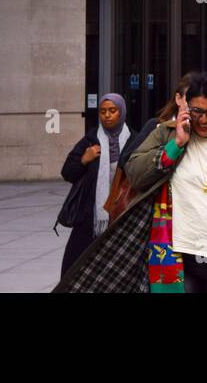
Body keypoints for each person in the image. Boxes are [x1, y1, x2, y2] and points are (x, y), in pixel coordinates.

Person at [55, 72, 207, 293]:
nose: (203, 120)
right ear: (185, 107)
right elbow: (136, 173)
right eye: (196, 111)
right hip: (175, 256)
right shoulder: (166, 133)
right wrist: (176, 145)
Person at [57, 93, 130, 276]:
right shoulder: (90, 141)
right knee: (73, 269)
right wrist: (84, 159)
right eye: (103, 111)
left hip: (122, 217)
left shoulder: (133, 142)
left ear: (121, 113)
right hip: (90, 217)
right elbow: (67, 172)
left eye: (112, 111)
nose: (107, 115)